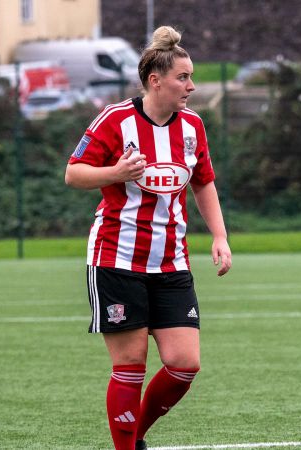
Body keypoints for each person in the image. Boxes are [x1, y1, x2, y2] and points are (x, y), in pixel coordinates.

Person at [65, 25, 232, 450]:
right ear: (155, 81)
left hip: (172, 262)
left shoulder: (192, 126)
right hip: (117, 258)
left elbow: (203, 182)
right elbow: (74, 173)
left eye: (191, 76)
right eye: (183, 77)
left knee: (184, 364)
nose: (191, 85)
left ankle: (133, 436)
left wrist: (220, 237)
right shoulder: (116, 120)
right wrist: (115, 174)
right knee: (130, 365)